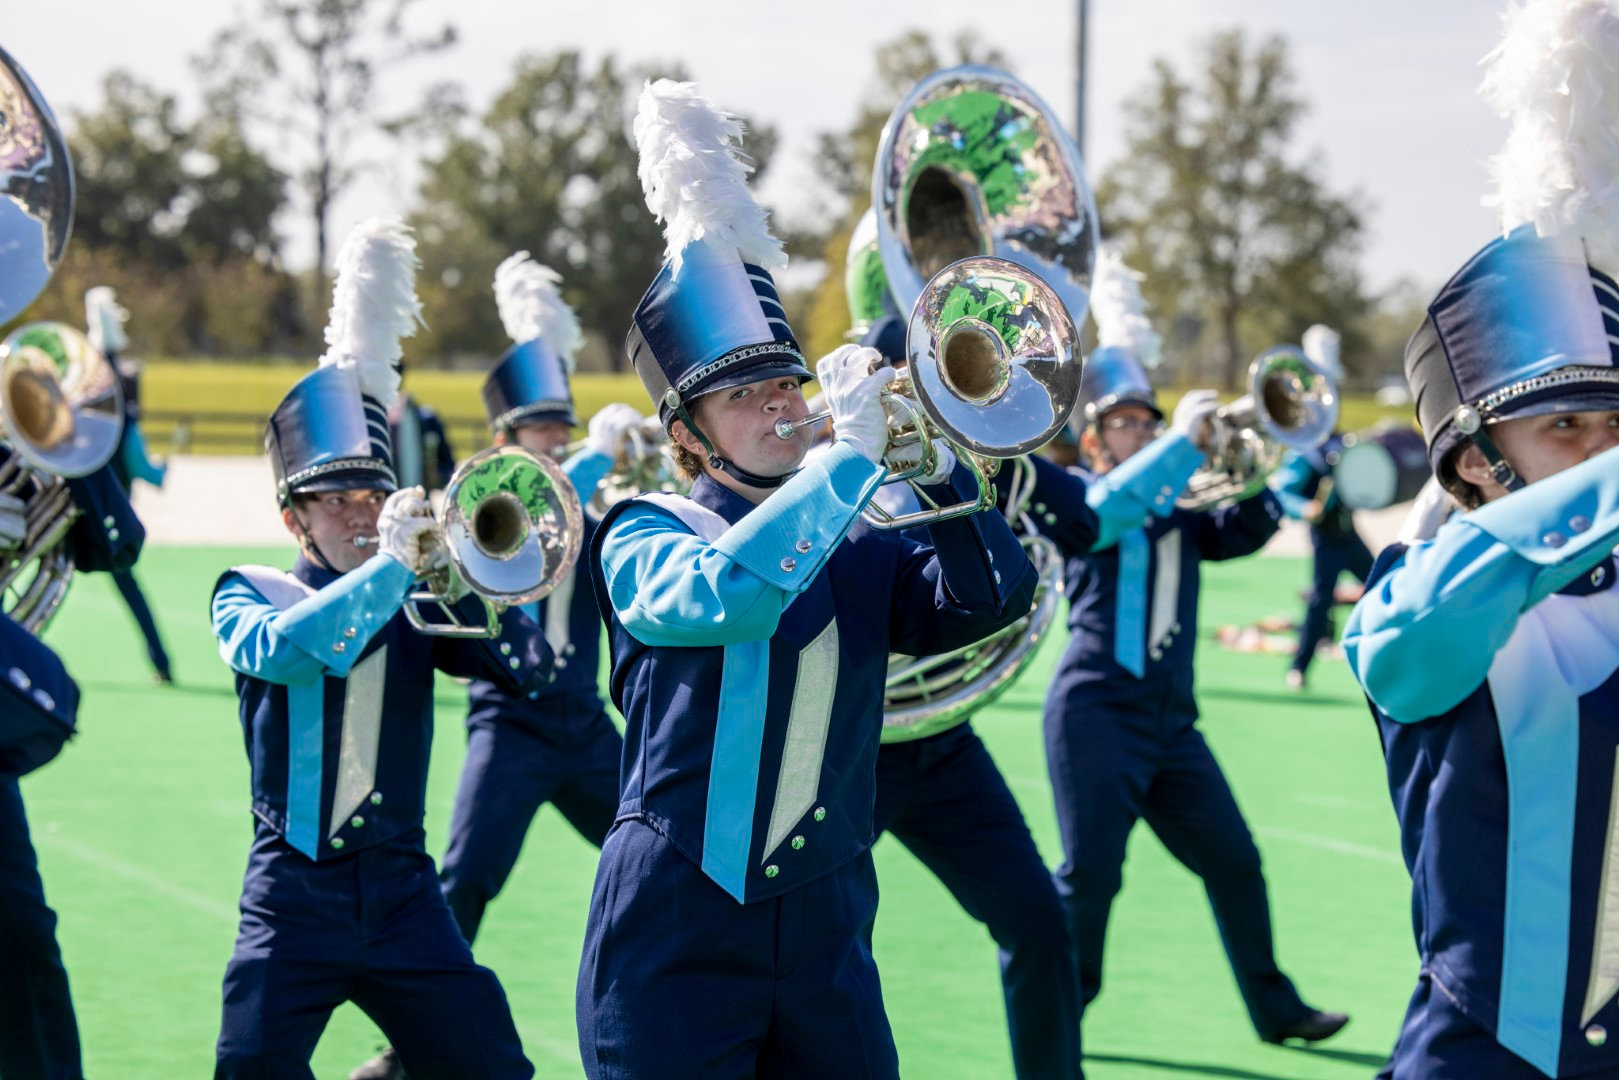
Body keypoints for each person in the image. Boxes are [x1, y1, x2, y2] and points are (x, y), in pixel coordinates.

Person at [575, 79, 1036, 1080]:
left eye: (785, 385)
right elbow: (729, 596)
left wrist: (939, 467)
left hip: (827, 923)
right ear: (686, 434)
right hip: (676, 927)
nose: (780, 410)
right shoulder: (644, 531)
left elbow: (991, 598)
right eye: (744, 398)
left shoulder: (856, 536)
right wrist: (847, 464)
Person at [1346, 2, 1619, 1074]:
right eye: (1565, 430)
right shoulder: (1420, 596)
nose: (1598, 453)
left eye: (1616, 425)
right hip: (1488, 1055)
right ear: (1470, 462)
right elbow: (1417, 637)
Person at [209, 218, 547, 1080]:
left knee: (493, 1066)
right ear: (294, 518)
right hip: (291, 892)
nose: (362, 512)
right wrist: (396, 571)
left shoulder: (414, 592)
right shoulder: (249, 590)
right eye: (336, 501)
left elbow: (528, 672)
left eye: (373, 492)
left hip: (403, 891)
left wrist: (473, 580)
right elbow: (291, 651)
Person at [1025, 245, 1348, 1047]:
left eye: (1146, 420)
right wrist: (1179, 447)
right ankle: (1064, 1015)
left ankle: (1275, 1010)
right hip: (1096, 711)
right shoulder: (1084, 499)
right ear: (1094, 441)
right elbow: (1107, 515)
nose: (1138, 431)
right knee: (1090, 879)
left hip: (1171, 722)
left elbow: (1239, 527)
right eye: (1122, 424)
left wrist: (1287, 456)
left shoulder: (1179, 503)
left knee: (1234, 861)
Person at [350, 254, 640, 1080]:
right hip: (509, 723)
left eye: (562, 425)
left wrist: (633, 472)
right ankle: (410, 1049)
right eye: (539, 429)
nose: (556, 439)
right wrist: (585, 466)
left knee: (666, 846)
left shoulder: (599, 496)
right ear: (504, 440)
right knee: (465, 881)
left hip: (584, 724)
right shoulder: (470, 507)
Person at [857, 313, 1088, 1080]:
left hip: (942, 741)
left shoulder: (972, 459)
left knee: (1036, 919)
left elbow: (1079, 524)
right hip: (850, 748)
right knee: (812, 948)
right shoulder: (832, 466)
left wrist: (991, 446)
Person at [1271, 325, 1375, 691]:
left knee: (1384, 584)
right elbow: (1283, 493)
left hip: (1351, 535)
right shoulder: (1305, 451)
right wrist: (1305, 509)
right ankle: (1299, 668)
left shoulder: (1344, 443)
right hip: (1326, 539)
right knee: (1319, 605)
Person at [86, 285, 175, 684]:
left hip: (75, 515)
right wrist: (164, 467)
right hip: (109, 523)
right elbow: (148, 474)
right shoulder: (128, 425)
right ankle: (162, 662)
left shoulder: (83, 418)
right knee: (131, 591)